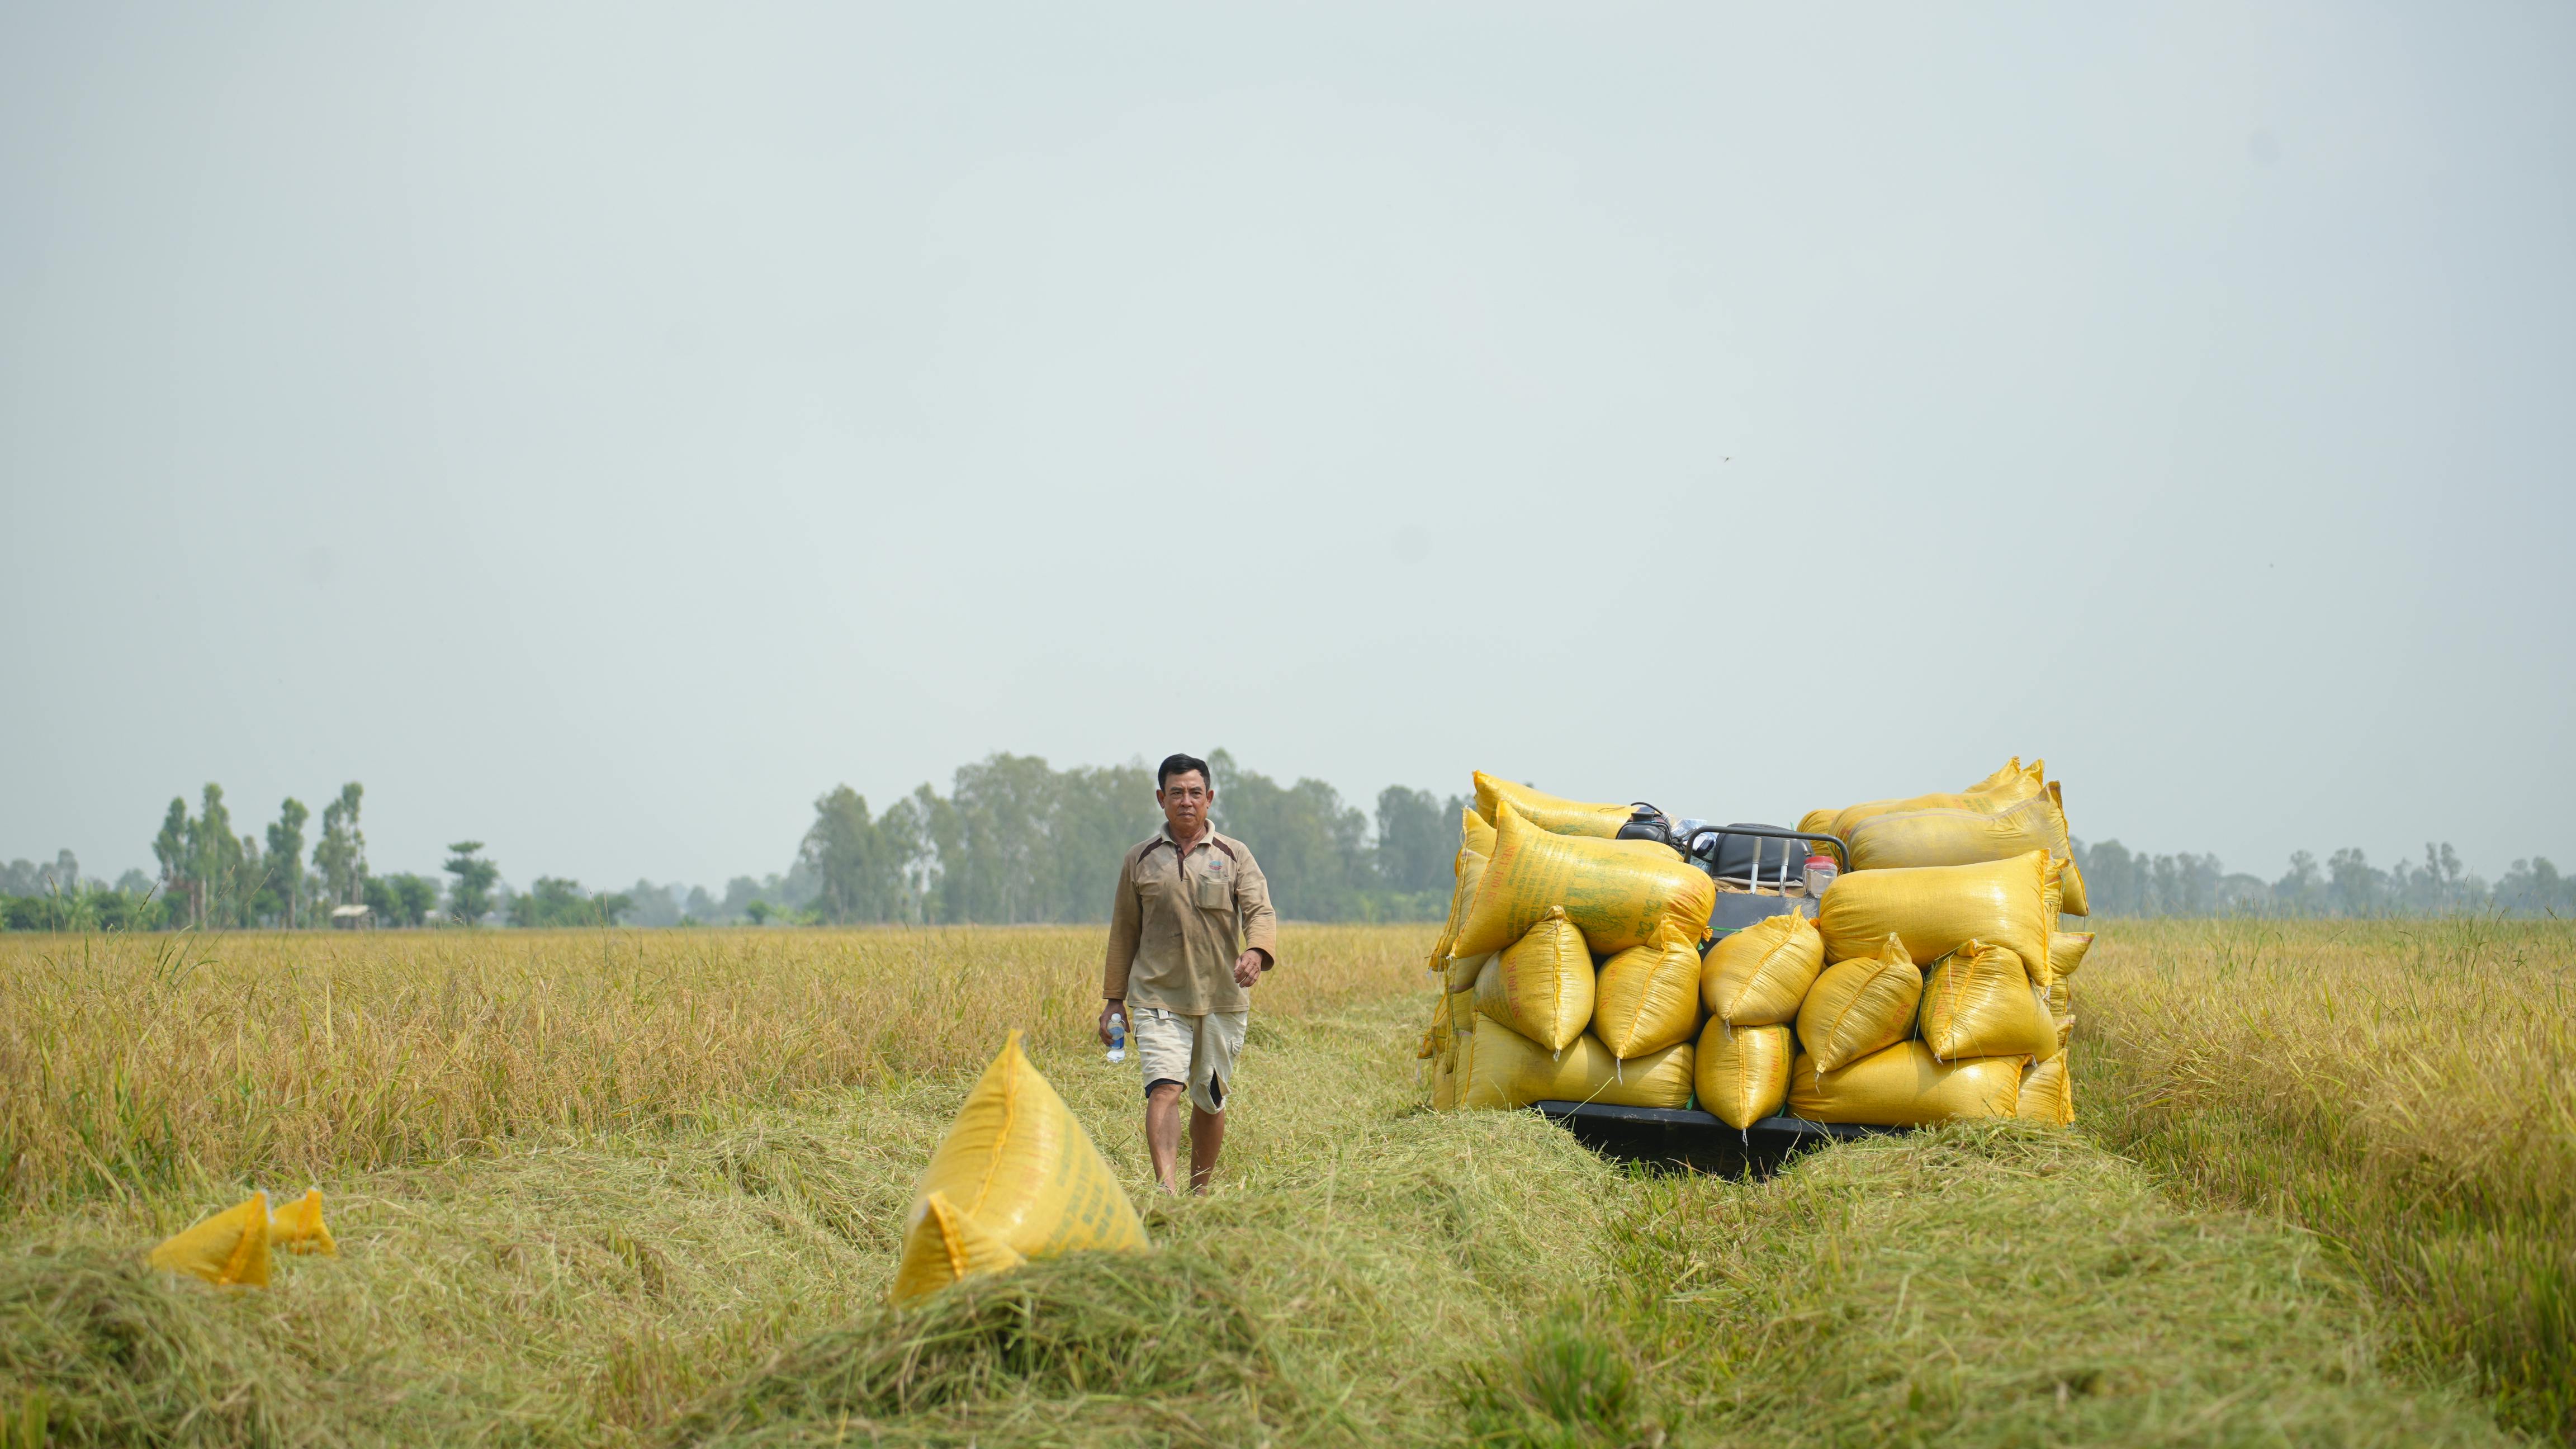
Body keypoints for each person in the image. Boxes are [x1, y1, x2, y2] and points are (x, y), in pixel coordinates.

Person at [1098, 752, 1277, 1195]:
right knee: (1164, 1089)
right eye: (1176, 793)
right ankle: (1168, 1192)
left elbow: (1260, 910)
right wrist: (1113, 1001)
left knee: (1210, 1100)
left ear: (1210, 799)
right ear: (1161, 799)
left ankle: (1199, 1194)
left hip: (1221, 1000)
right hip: (1158, 998)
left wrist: (1256, 951)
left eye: (1195, 793)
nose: (1186, 801)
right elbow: (1124, 931)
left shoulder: (1235, 856)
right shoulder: (1139, 860)